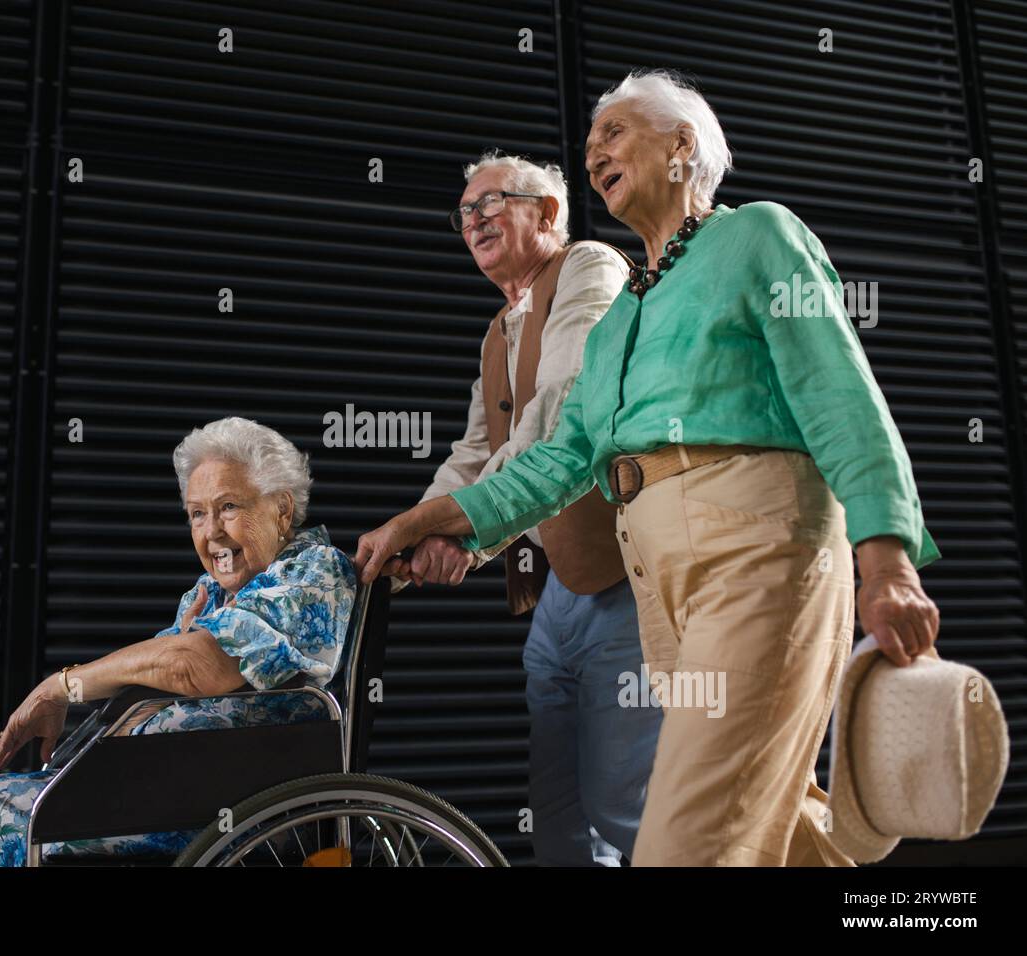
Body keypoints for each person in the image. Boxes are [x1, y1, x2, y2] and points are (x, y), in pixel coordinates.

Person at [356, 69, 941, 866]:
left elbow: (839, 395)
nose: (594, 150)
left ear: (682, 145)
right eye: (592, 139)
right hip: (662, 585)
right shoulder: (623, 314)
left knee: (684, 837)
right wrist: (432, 519)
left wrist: (888, 562)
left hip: (761, 555)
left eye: (614, 132)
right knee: (770, 826)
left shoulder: (756, 236)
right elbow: (561, 461)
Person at [0, 417, 355, 865]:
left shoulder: (314, 571)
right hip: (151, 789)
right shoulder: (209, 594)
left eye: (228, 507)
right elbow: (154, 671)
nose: (211, 533)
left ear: (282, 510)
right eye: (197, 513)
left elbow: (191, 665)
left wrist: (62, 685)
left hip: (221, 808)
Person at [397, 149, 657, 865]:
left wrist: (459, 534)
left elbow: (557, 413)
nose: (473, 220)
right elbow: (475, 454)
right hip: (560, 591)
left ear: (547, 214)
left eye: (492, 203)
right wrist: (410, 540)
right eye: (464, 212)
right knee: (560, 815)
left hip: (627, 579)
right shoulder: (499, 330)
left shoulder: (589, 269)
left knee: (623, 802)